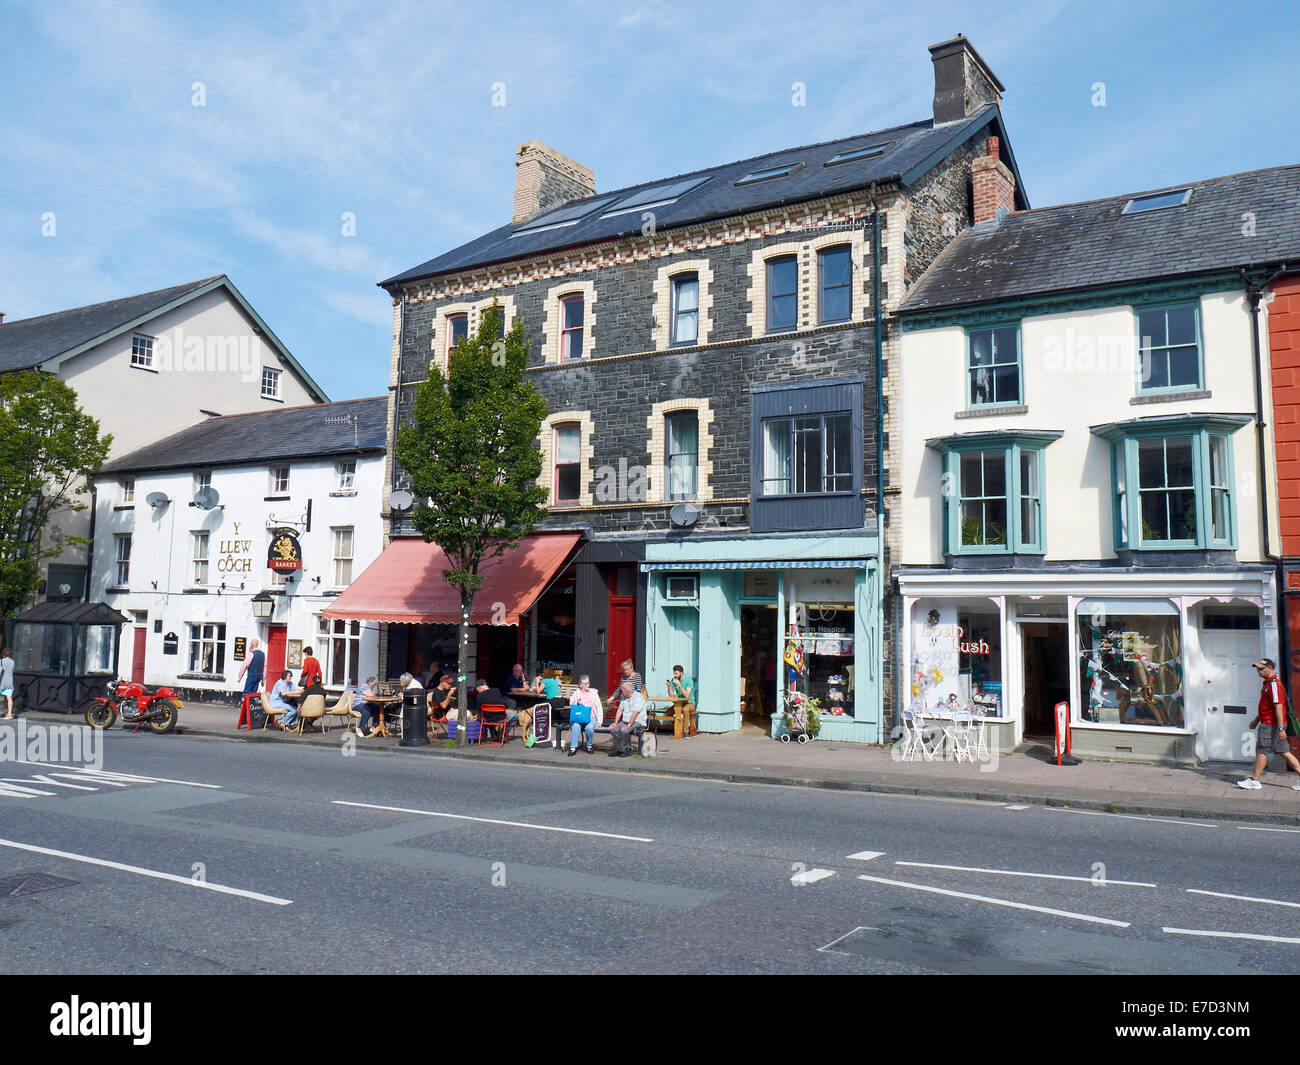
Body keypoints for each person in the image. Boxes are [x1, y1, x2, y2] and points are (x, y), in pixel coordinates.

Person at [1236, 659, 1300, 791]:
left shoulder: (1273, 685)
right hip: (1272, 724)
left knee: (1262, 751)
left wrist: (1281, 728)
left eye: (1261, 668)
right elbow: (1267, 707)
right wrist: (1256, 720)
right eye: (1257, 669)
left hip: (1271, 725)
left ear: (1270, 668)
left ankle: (1254, 780)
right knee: (1284, 752)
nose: (1259, 671)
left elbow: (1278, 707)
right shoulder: (1268, 684)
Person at [609, 680, 647, 757]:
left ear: (627, 691)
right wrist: (615, 723)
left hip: (638, 721)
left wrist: (629, 725)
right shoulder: (624, 697)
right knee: (613, 729)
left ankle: (626, 749)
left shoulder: (638, 697)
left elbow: (635, 712)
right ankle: (621, 749)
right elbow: (620, 710)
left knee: (625, 731)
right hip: (625, 721)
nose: (621, 692)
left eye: (622, 691)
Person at [567, 675, 601, 755]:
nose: (588, 685)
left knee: (589, 728)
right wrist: (576, 701)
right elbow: (571, 703)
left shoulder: (594, 693)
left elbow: (599, 707)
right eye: (585, 683)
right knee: (575, 726)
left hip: (591, 717)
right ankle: (573, 748)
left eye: (588, 683)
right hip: (579, 717)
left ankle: (589, 746)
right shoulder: (577, 693)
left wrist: (600, 721)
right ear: (580, 685)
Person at [0, 646, 14, 720]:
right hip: (10, 681)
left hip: (2, 681)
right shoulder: (12, 661)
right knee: (9, 698)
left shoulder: (1, 661)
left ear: (3, 654)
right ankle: (9, 714)